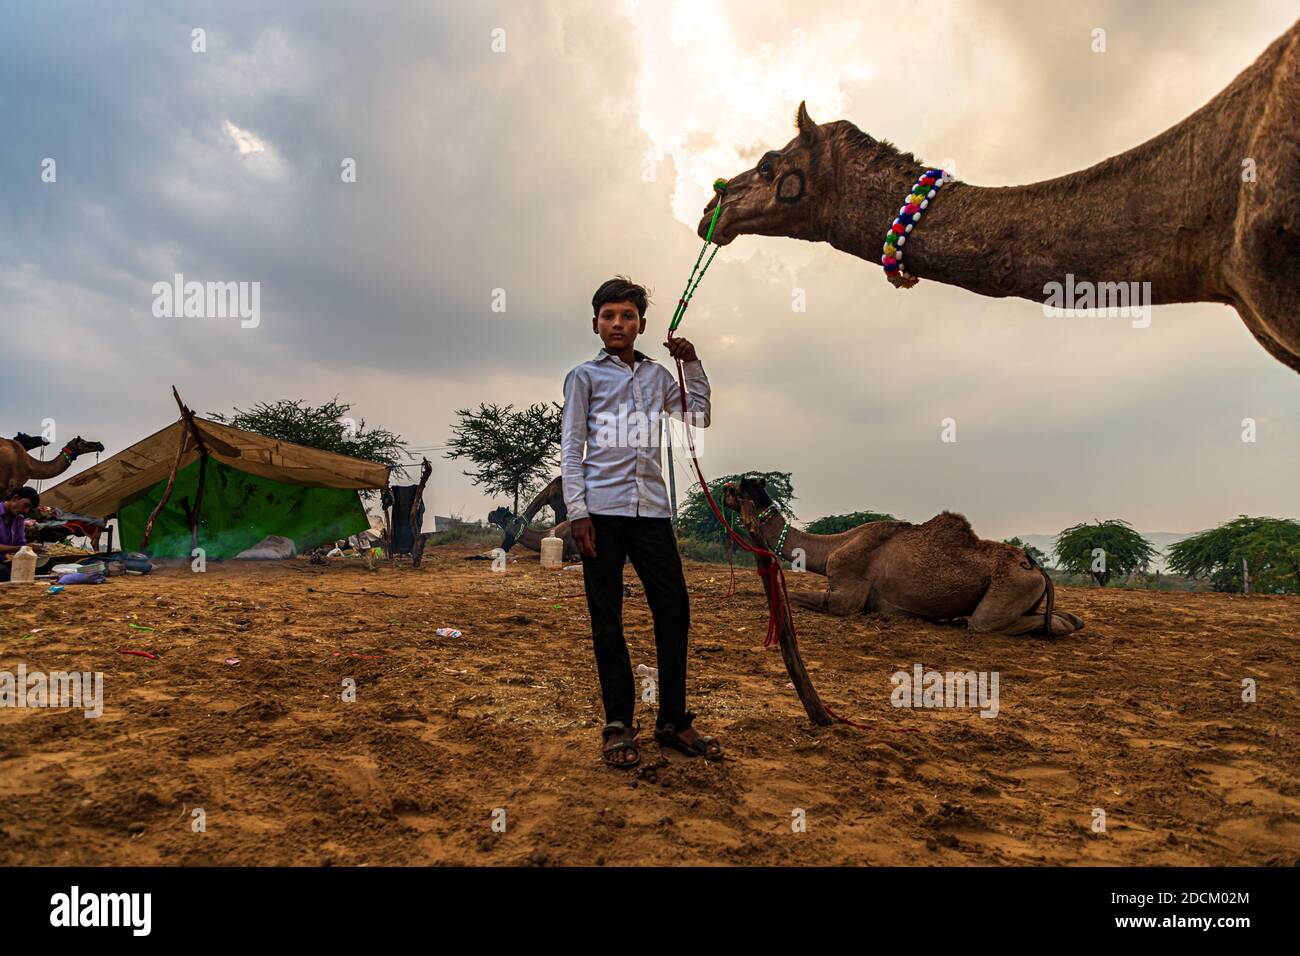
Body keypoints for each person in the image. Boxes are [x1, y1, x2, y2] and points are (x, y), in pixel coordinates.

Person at [561, 276, 722, 768]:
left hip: (653, 511)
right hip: (600, 514)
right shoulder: (583, 378)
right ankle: (618, 724)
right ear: (596, 324)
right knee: (607, 620)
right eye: (609, 316)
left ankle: (674, 720)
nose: (617, 323)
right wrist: (577, 513)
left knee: (673, 611)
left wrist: (691, 361)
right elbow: (571, 448)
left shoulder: (657, 377)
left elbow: (699, 417)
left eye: (627, 316)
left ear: (641, 325)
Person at [0, 486, 44, 581]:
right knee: (3, 572)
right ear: (15, 498)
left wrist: (30, 549)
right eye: (26, 505)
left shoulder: (19, 519)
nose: (26, 511)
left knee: (42, 566)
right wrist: (23, 548)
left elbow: (20, 544)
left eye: (29, 508)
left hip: (2, 559)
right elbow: (20, 547)